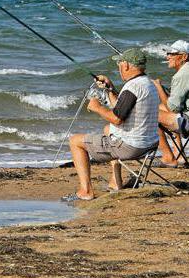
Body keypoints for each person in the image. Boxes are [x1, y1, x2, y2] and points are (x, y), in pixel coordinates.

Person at [66, 48, 160, 201]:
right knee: (107, 129)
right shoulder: (147, 83)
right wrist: (110, 88)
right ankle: (116, 181)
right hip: (149, 143)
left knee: (75, 141)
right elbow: (121, 107)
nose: (119, 67)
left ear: (127, 66)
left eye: (120, 63)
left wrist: (97, 108)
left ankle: (86, 191)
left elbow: (117, 118)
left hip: (131, 147)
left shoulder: (133, 87)